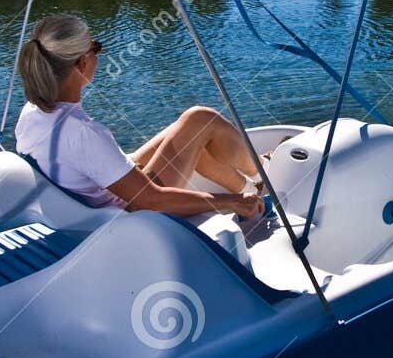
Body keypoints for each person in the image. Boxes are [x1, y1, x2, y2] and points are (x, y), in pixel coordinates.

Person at [14, 14, 265, 220]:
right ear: (81, 63)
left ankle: (250, 187)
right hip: (130, 214)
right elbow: (151, 199)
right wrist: (232, 203)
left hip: (96, 198)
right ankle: (262, 171)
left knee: (190, 134)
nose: (98, 54)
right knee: (200, 119)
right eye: (95, 48)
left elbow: (89, 162)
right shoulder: (82, 133)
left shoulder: (32, 113)